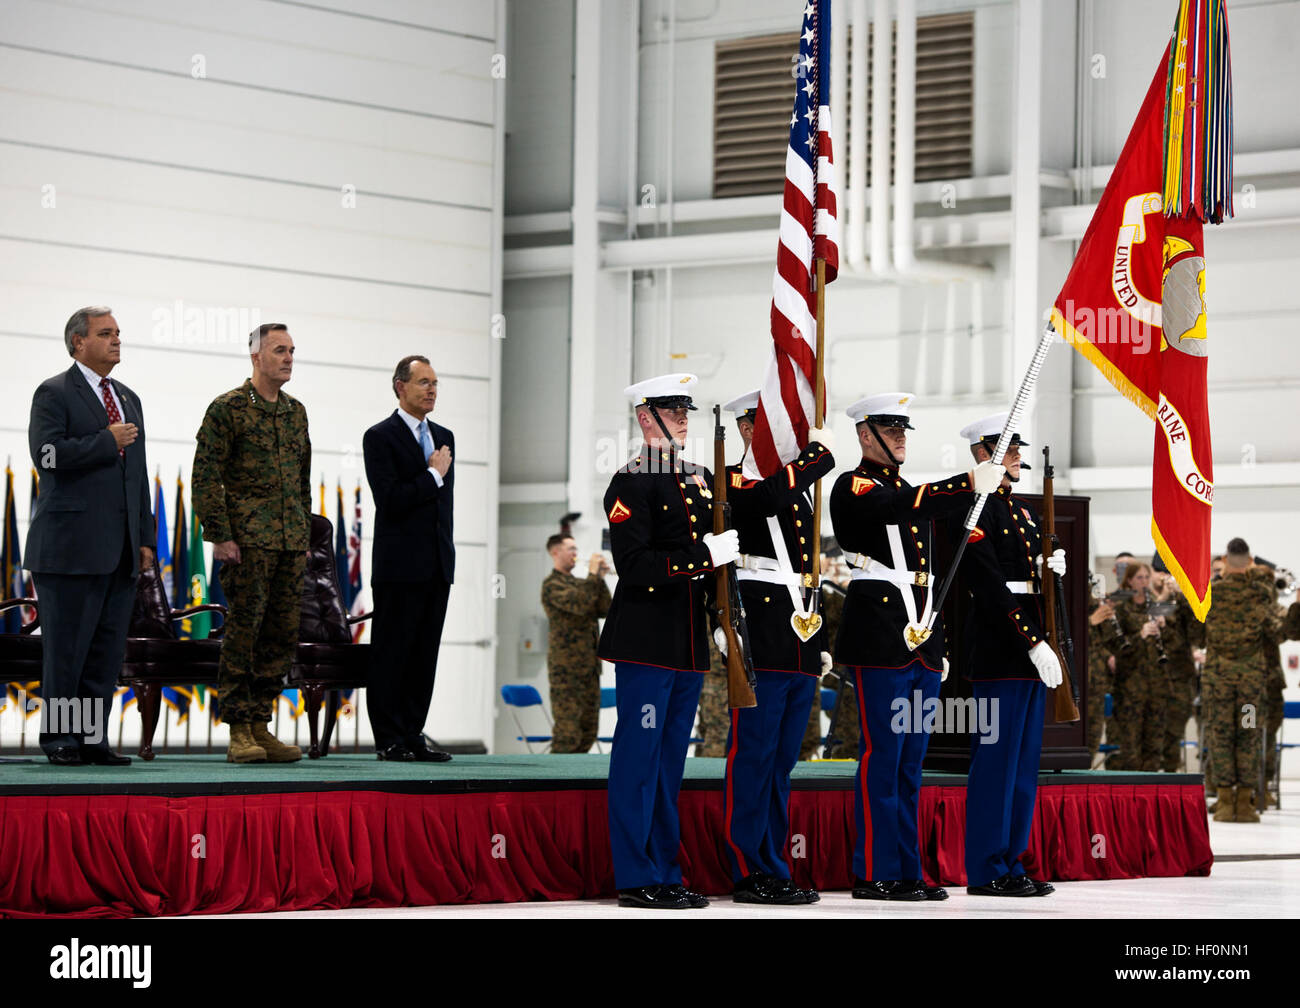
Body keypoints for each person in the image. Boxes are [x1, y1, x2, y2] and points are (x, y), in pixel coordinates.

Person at [829, 392, 1004, 901]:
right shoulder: (854, 485)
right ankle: (874, 870)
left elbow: (932, 561)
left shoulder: (909, 488)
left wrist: (976, 495)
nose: (902, 436)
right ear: (866, 435)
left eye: (905, 429)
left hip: (919, 640)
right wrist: (967, 481)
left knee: (910, 764)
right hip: (879, 635)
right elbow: (896, 506)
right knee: (882, 758)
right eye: (890, 428)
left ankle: (907, 868)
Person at [599, 373, 739, 910]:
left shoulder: (701, 478)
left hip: (688, 642)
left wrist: (723, 624)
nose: (683, 416)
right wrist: (705, 555)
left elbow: (713, 567)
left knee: (669, 764)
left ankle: (666, 868)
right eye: (670, 408)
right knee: (639, 759)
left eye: (685, 408)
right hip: (647, 641)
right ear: (644, 418)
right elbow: (635, 567)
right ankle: (637, 875)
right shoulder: (631, 482)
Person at [716, 389, 835, 905]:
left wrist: (822, 637)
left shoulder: (799, 488)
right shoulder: (732, 479)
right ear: (747, 429)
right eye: (766, 425)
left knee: (785, 757)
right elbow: (763, 501)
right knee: (754, 754)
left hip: (798, 629)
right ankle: (748, 868)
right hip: (760, 625)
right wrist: (815, 458)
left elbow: (807, 568)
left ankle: (773, 861)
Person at [25, 306, 153, 766]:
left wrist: (145, 540)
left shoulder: (129, 398)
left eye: (118, 332)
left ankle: (91, 739)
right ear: (78, 342)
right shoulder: (54, 392)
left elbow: (137, 478)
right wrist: (106, 441)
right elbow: (47, 456)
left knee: (102, 654)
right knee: (67, 653)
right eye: (105, 333)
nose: (117, 340)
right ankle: (60, 739)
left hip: (119, 551)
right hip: (68, 550)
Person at [953, 413, 1063, 897]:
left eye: (1018, 446)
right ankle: (985, 867)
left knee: (1021, 767)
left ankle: (1012, 862)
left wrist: (1050, 565)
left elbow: (1028, 581)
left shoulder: (1019, 509)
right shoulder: (978, 508)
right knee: (996, 766)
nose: (1017, 454)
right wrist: (1031, 640)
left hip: (1026, 654)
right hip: (1002, 650)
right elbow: (989, 586)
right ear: (983, 454)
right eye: (1006, 447)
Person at [193, 323, 310, 764]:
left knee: (280, 635)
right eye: (280, 350)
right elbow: (206, 476)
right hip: (247, 542)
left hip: (288, 542)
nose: (288, 358)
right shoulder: (228, 409)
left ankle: (262, 723)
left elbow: (301, 479)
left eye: (292, 351)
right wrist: (220, 534)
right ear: (256, 357)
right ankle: (239, 728)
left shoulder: (296, 412)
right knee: (244, 632)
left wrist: (300, 528)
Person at [361, 355, 455, 762]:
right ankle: (389, 737)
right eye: (422, 382)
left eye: (434, 382)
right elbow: (391, 500)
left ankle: (413, 731)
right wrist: (432, 476)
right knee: (392, 652)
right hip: (399, 566)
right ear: (400, 386)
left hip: (436, 563)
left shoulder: (445, 436)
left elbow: (443, 509)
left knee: (424, 654)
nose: (431, 389)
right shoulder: (379, 437)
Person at [1203, 539, 1278, 822]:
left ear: (1225, 558)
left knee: (1221, 736)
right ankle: (1245, 803)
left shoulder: (1210, 593)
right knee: (1247, 735)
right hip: (1249, 687)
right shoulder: (1260, 594)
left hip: (1218, 683)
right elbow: (1277, 632)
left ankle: (1223, 801)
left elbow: (1195, 634)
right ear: (1249, 561)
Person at [541, 533, 611, 753]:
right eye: (570, 549)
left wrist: (599, 578)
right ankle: (554, 783)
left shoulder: (581, 584)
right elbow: (580, 604)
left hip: (589, 668)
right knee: (568, 734)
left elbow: (605, 608)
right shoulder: (552, 585)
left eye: (575, 549)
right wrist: (592, 575)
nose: (575, 554)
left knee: (588, 732)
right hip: (567, 670)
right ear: (555, 552)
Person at [1107, 563, 1172, 772]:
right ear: (1129, 580)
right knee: (1131, 745)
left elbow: (1177, 643)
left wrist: (1164, 627)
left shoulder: (1156, 605)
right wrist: (1140, 635)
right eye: (1139, 578)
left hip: (1157, 685)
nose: (1143, 582)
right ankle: (1130, 794)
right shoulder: (1120, 607)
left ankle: (1151, 793)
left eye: (1146, 577)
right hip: (1130, 687)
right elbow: (1116, 647)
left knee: (1154, 743)